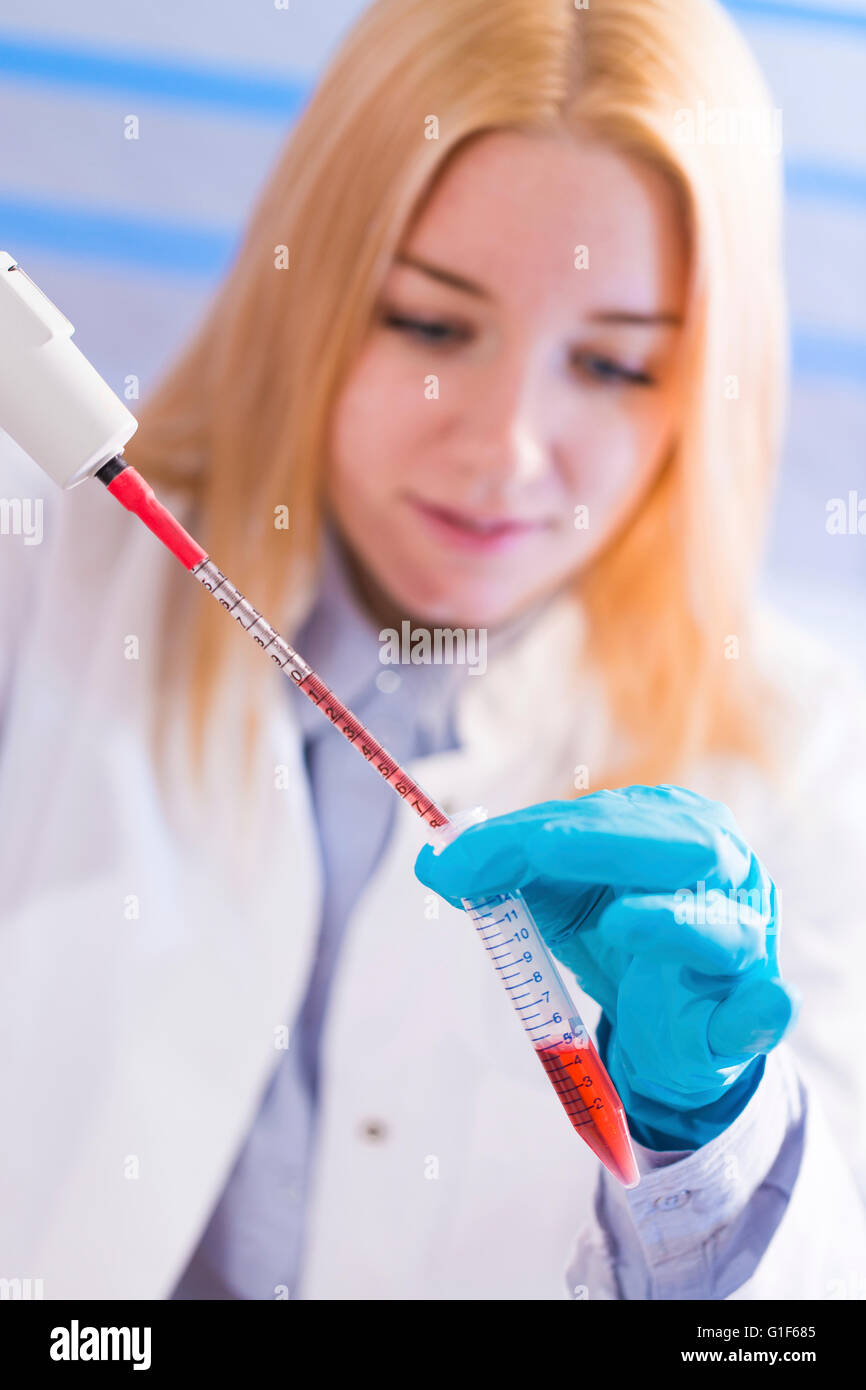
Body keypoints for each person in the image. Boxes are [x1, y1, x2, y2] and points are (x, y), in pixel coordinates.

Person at [1, 0, 864, 1301]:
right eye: (429, 325)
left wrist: (710, 1156)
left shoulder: (809, 750)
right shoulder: (45, 577)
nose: (505, 447)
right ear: (309, 295)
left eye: (616, 365)